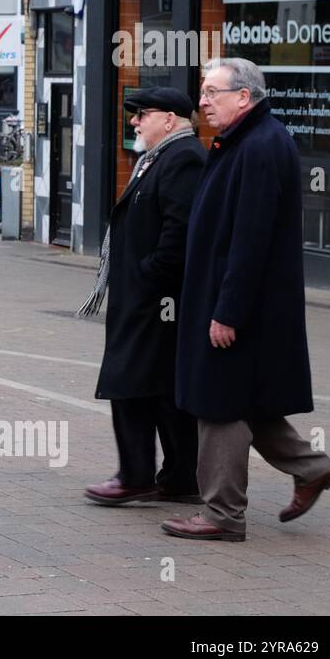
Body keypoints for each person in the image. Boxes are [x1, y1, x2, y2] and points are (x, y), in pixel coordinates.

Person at [164, 58, 330, 542]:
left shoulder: (261, 146)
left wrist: (228, 311)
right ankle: (312, 468)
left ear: (244, 97)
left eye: (212, 92)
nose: (202, 101)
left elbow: (251, 238)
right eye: (202, 92)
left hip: (241, 306)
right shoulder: (244, 141)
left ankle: (222, 514)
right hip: (236, 302)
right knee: (249, 400)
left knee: (219, 401)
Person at [78, 88, 205, 507]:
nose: (134, 122)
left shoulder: (183, 157)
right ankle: (182, 477)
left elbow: (179, 231)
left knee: (128, 381)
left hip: (156, 299)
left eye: (142, 114)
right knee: (160, 388)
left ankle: (135, 476)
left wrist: (147, 277)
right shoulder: (160, 156)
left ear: (169, 119)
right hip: (150, 297)